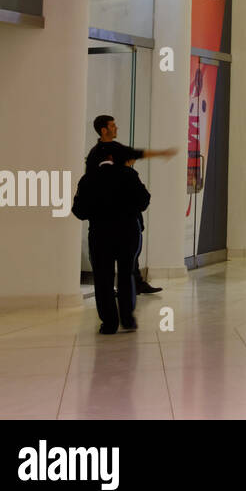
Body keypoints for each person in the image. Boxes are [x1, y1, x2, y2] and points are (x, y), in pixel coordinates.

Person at [84, 115, 176, 293]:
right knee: (117, 256)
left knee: (125, 253)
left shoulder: (107, 152)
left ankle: (132, 285)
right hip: (111, 218)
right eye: (113, 126)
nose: (116, 128)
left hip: (114, 218)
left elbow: (137, 155)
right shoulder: (101, 154)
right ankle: (123, 289)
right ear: (104, 130)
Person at [73, 142, 152, 333]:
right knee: (125, 275)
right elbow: (144, 200)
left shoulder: (88, 179)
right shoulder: (128, 174)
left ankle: (109, 323)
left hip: (100, 235)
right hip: (127, 234)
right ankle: (128, 319)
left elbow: (79, 211)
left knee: (103, 279)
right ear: (111, 157)